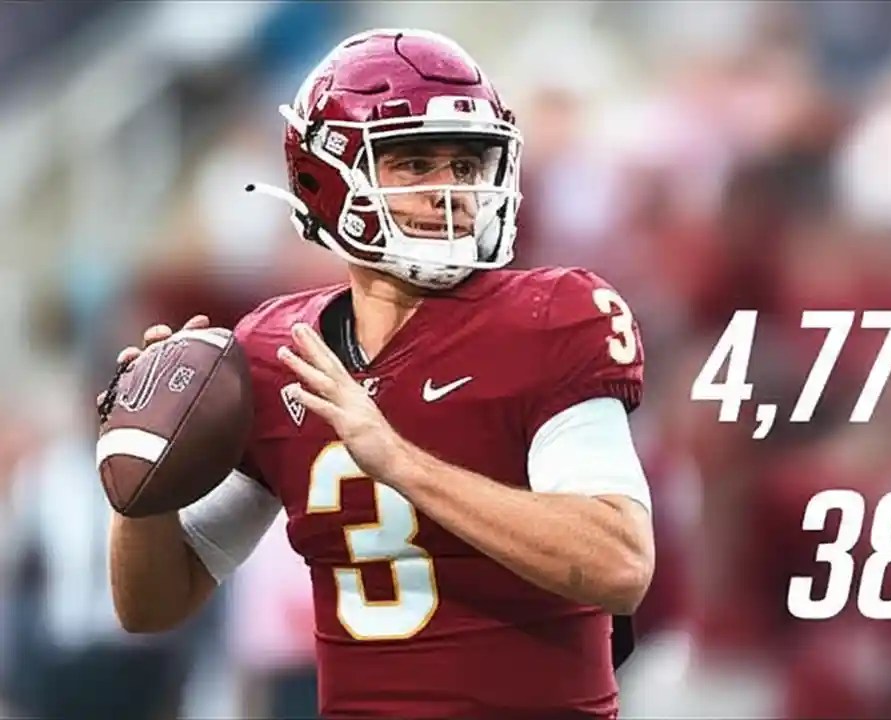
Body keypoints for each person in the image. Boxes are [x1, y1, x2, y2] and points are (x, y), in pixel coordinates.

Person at [103, 28, 655, 719]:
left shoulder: (551, 317)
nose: (449, 191)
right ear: (326, 177)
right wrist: (143, 466)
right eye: (415, 163)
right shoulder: (277, 350)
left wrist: (399, 460)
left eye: (466, 165)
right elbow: (153, 606)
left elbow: (619, 564)